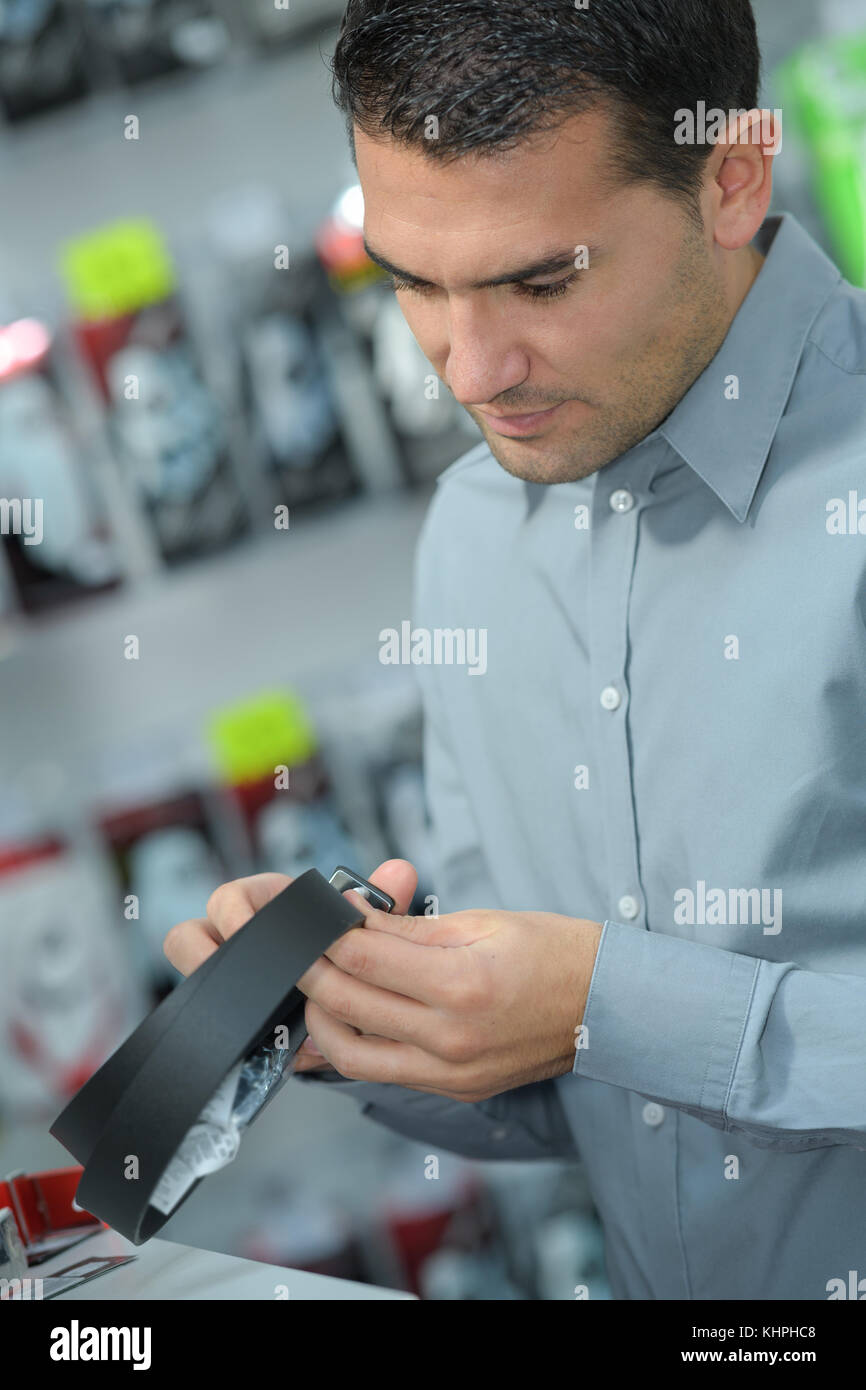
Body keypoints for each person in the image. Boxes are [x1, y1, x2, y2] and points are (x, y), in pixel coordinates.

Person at [164, 1, 866, 1300]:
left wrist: (611, 997)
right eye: (409, 283)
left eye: (540, 281)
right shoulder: (475, 534)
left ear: (731, 175)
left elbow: (622, 1020)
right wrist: (371, 1009)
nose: (468, 371)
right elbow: (593, 1100)